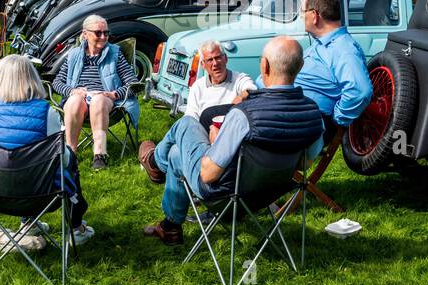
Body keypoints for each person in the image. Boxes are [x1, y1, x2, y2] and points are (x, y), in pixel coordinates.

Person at [137, 36, 323, 245]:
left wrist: (218, 139)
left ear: (264, 65)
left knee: (186, 125)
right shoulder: (313, 114)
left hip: (227, 195)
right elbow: (303, 164)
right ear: (301, 66)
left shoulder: (244, 115)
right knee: (176, 155)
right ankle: (169, 226)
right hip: (268, 193)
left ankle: (155, 163)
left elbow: (208, 175)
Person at [0, 55, 92, 248]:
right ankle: (76, 227)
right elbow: (62, 160)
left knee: (21, 162)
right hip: (41, 196)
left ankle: (29, 224)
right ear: (32, 79)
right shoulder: (46, 112)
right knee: (66, 159)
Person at [246, 0, 371, 133]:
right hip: (274, 104)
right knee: (219, 114)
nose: (301, 17)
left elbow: (361, 91)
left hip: (295, 117)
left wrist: (338, 118)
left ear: (314, 15)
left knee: (226, 121)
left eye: (302, 12)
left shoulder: (344, 48)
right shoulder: (322, 44)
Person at [51, 14, 140, 170]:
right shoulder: (73, 55)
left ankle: (99, 154)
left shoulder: (115, 54)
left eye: (106, 33)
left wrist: (113, 94)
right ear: (85, 34)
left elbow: (133, 84)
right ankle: (70, 153)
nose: (103, 36)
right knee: (74, 100)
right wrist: (72, 91)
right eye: (98, 33)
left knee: (98, 100)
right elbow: (57, 83)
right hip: (79, 101)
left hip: (106, 100)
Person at [183, 39, 256, 136]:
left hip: (229, 138)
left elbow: (252, 89)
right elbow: (190, 117)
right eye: (210, 60)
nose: (215, 63)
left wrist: (241, 97)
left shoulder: (239, 79)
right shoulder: (197, 87)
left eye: (218, 58)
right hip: (202, 137)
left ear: (225, 58)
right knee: (174, 145)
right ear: (203, 65)